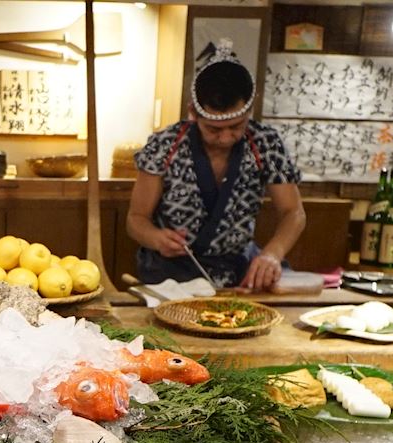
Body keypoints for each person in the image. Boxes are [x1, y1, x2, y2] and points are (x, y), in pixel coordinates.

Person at [127, 40, 305, 290]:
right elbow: (136, 219)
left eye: (236, 126)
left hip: (240, 269)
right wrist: (156, 239)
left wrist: (272, 253)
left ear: (249, 112)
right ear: (193, 113)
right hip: (171, 272)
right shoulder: (165, 144)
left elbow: (293, 213)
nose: (225, 137)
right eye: (213, 129)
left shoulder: (265, 143)